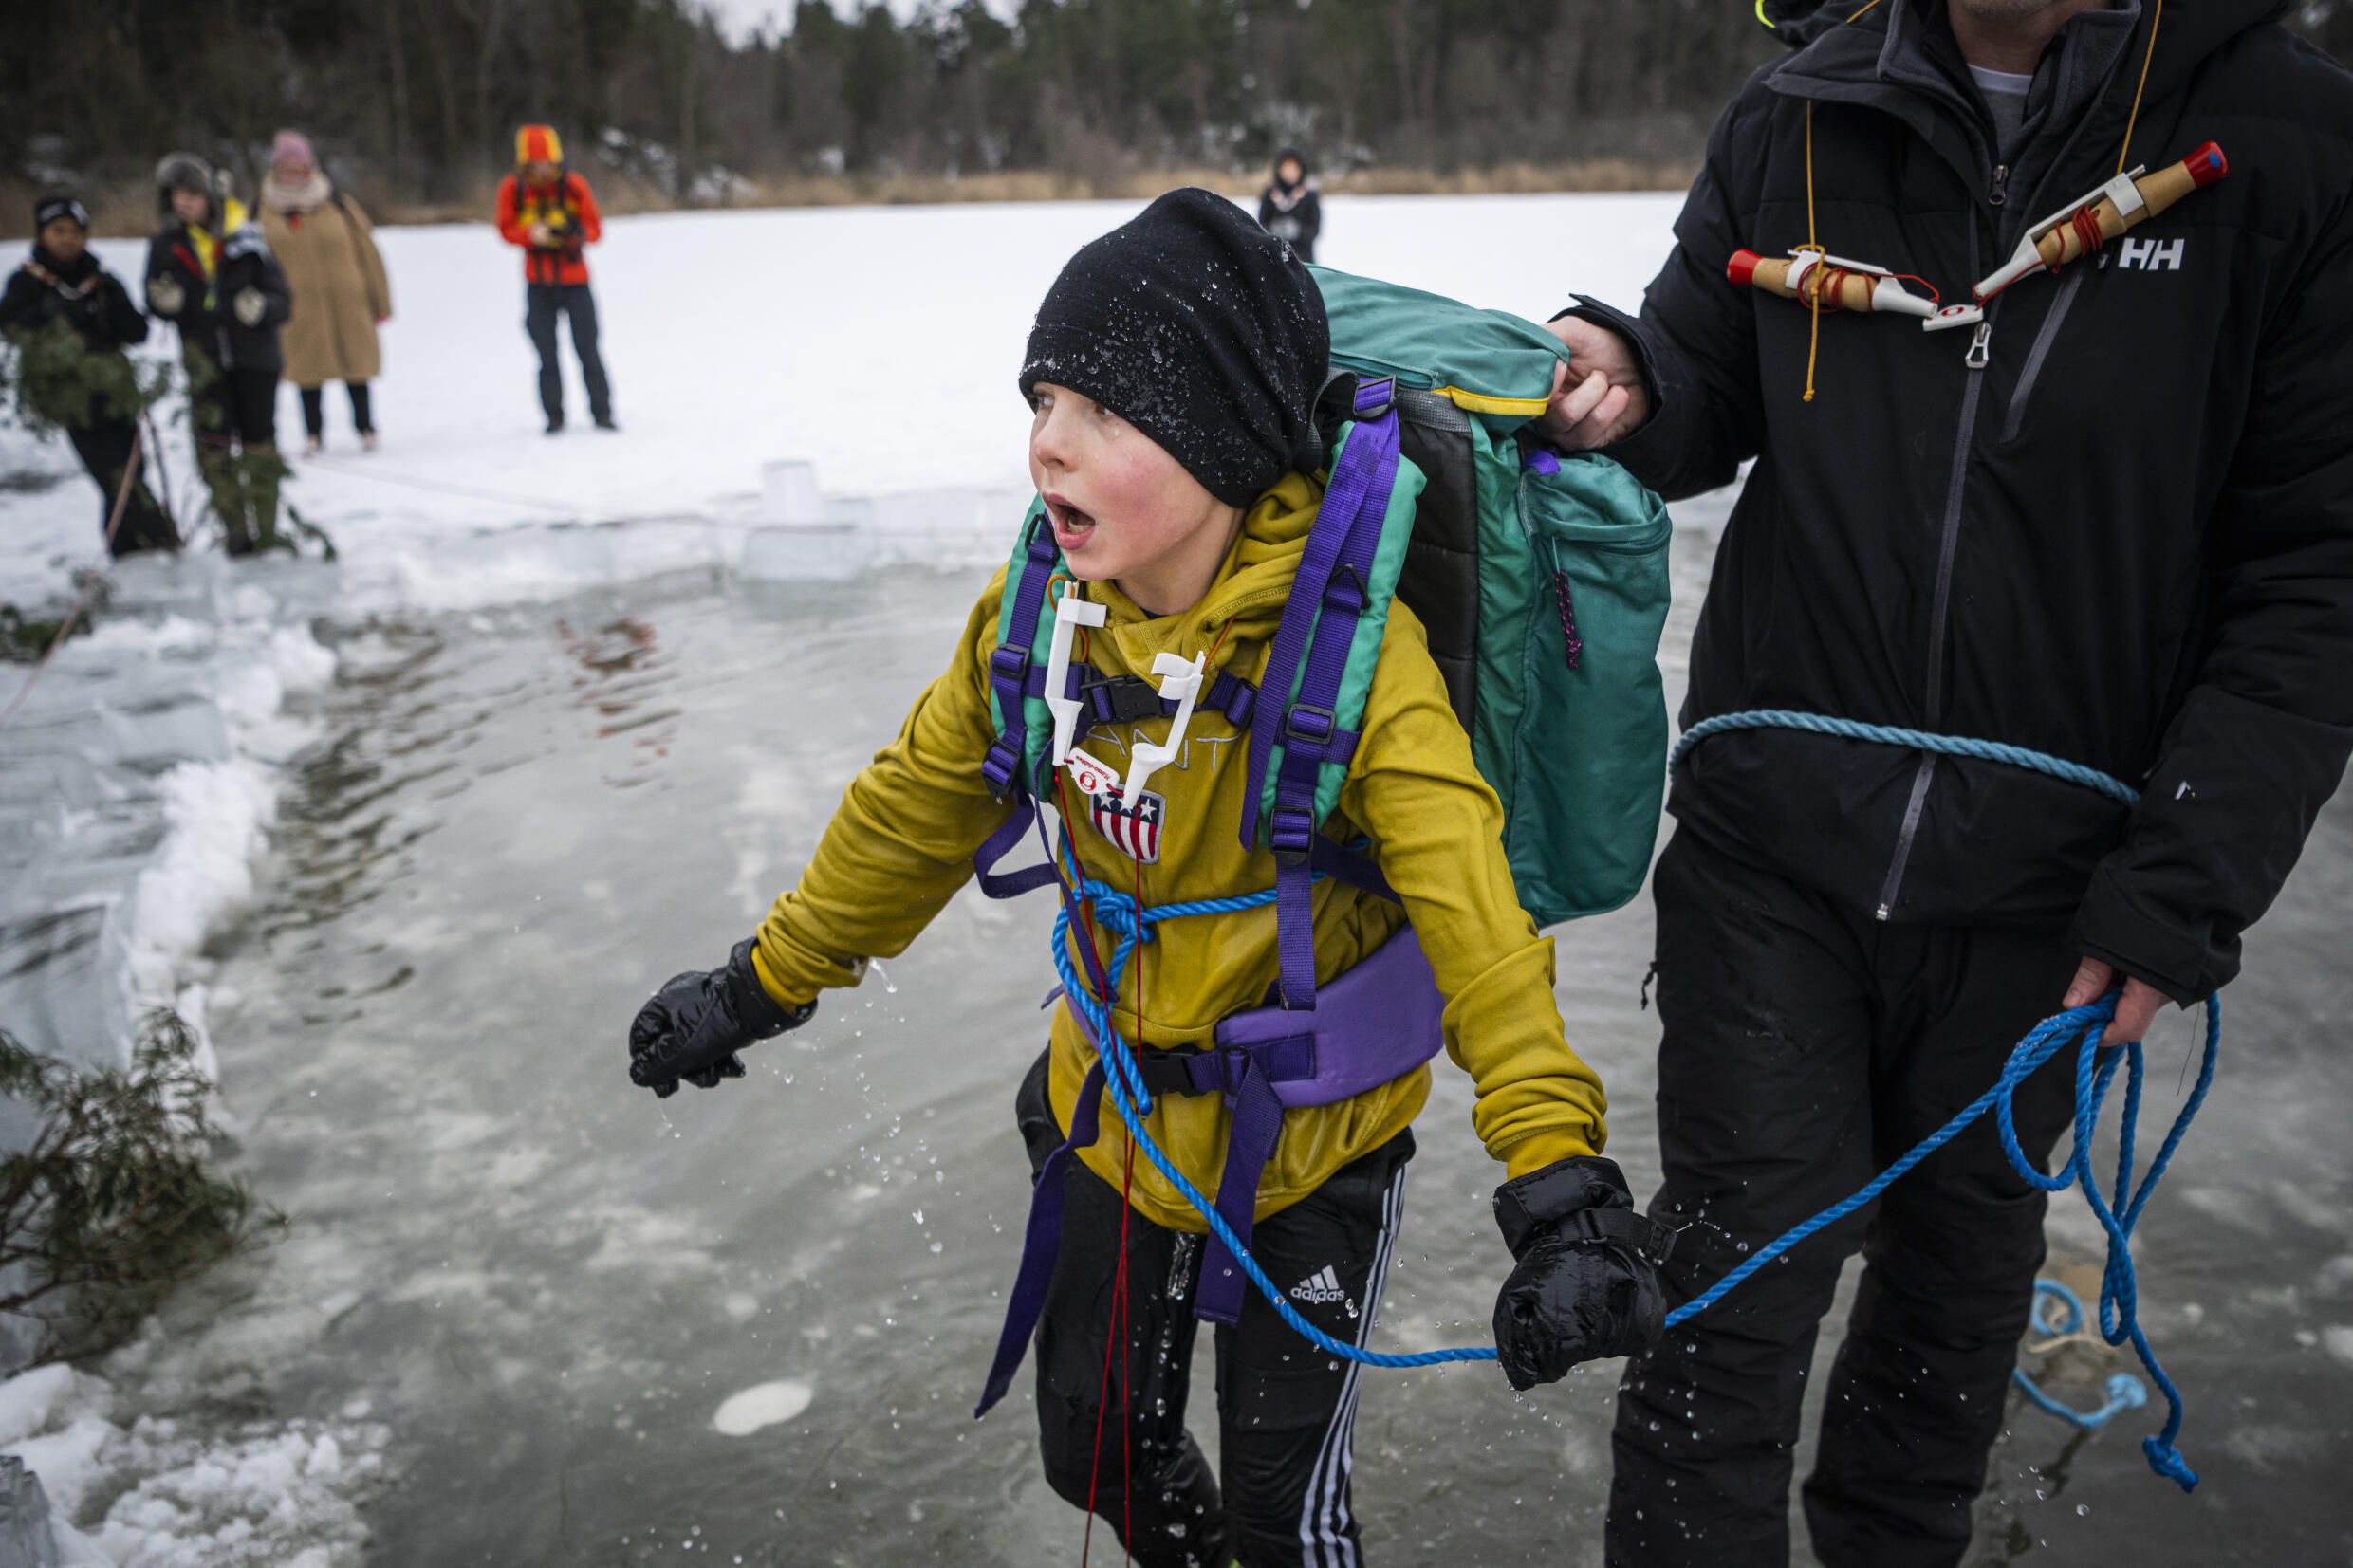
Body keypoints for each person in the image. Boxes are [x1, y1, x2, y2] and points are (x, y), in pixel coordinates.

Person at [625, 189, 1667, 1568]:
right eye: (1042, 398)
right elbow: (912, 810)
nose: (1048, 442)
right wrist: (759, 984)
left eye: (1104, 412)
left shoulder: (1355, 665)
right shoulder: (1041, 619)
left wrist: (1561, 1181)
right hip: (1108, 1110)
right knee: (1092, 1452)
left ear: (1223, 441)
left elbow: (1477, 922)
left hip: (1313, 1152)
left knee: (1289, 1530)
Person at [1531, 2, 2353, 1564]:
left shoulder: (2301, 147)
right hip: (1774, 847)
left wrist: (2186, 878)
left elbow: (2319, 567)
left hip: (2060, 886)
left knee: (1949, 1320)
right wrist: (1629, 373)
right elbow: (1706, 374)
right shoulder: (1798, 111)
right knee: (1720, 1307)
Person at [0, 197, 177, 555]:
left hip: (117, 391)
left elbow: (137, 331)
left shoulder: (101, 280)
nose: (67, 240)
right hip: (72, 400)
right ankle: (157, 535)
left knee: (131, 467)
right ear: (42, 234)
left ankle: (126, 548)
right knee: (112, 474)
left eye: (76, 232)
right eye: (59, 231)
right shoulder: (27, 281)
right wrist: (46, 314)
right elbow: (10, 325)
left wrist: (110, 314)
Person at [145, 153, 291, 556]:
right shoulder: (165, 245)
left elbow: (284, 300)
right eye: (175, 194)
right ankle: (235, 529)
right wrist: (164, 303)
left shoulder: (247, 237)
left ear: (210, 194)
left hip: (255, 360)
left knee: (260, 443)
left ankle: (266, 527)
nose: (183, 202)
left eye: (191, 193)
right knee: (212, 447)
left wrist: (261, 308)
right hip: (203, 361)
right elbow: (152, 298)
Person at [259, 129, 390, 455]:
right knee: (308, 370)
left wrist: (380, 300)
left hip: (349, 302)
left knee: (356, 365)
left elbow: (368, 254)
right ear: (277, 168)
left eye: (301, 166)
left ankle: (366, 427)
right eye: (289, 167)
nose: (296, 173)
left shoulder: (338, 204)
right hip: (298, 307)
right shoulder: (263, 210)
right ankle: (313, 434)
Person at [495, 124, 613, 434]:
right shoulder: (513, 189)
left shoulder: (574, 185)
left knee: (588, 349)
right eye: (534, 164)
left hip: (576, 282)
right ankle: (554, 417)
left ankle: (602, 413)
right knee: (546, 354)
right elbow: (505, 230)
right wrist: (531, 234)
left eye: (546, 162)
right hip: (539, 285)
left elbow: (596, 229)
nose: (541, 169)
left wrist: (575, 235)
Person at [1256, 147, 1321, 263]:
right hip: (1275, 259)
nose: (1290, 172)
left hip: (1304, 261)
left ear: (1301, 170)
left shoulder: (1309, 196)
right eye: (1286, 168)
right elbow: (1260, 226)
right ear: (1279, 169)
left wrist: (1297, 230)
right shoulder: (1270, 195)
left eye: (1294, 168)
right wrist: (1274, 229)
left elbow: (1314, 230)